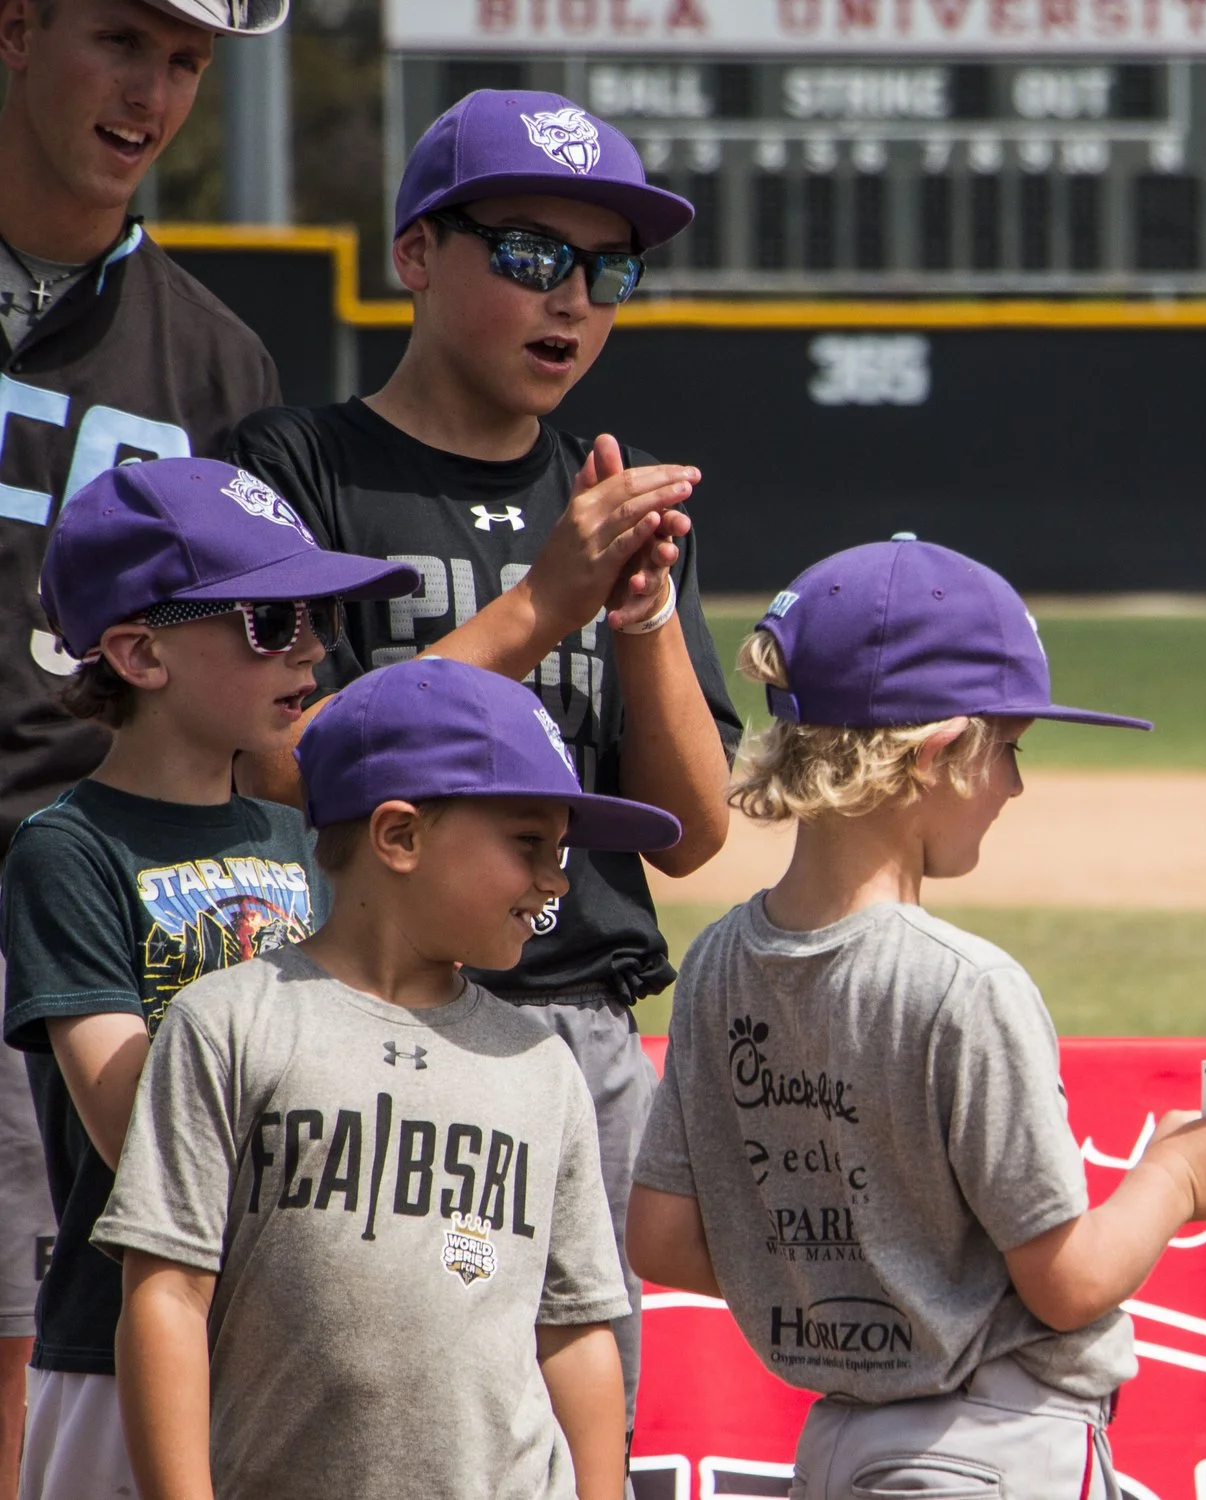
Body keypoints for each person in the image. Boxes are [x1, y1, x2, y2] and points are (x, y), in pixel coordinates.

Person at [229, 87, 740, 1430]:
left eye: (609, 267)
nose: (573, 296)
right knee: (364, 1402)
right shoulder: (298, 471)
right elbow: (290, 760)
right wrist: (541, 604)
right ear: (415, 254)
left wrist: (636, 623)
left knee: (573, 1416)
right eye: (529, 254)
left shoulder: (604, 494)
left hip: (572, 1030)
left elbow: (691, 832)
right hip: (361, 1026)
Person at [625, 539, 1206, 1497]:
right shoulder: (966, 986)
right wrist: (1175, 1177)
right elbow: (1068, 1281)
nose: (1016, 788)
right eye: (1009, 752)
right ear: (939, 755)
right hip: (993, 1450)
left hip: (832, 1448)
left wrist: (856, 1297)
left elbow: (662, 1238)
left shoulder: (713, 965)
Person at [98, 656, 676, 1500]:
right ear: (399, 836)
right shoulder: (229, 1023)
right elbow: (167, 1297)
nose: (557, 880)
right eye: (529, 844)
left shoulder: (542, 1067)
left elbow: (577, 1330)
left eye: (560, 849)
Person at [1, 458, 414, 1500]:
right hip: (119, 1353)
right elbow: (131, 1116)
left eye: (320, 618)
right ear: (140, 652)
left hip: (303, 1342)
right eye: (272, 621)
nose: (315, 650)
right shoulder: (69, 851)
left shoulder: (305, 840)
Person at [0, 0, 290, 1476]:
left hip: (87, 936)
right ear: (18, 29)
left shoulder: (218, 366)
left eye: (187, 62)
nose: (153, 91)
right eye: (123, 38)